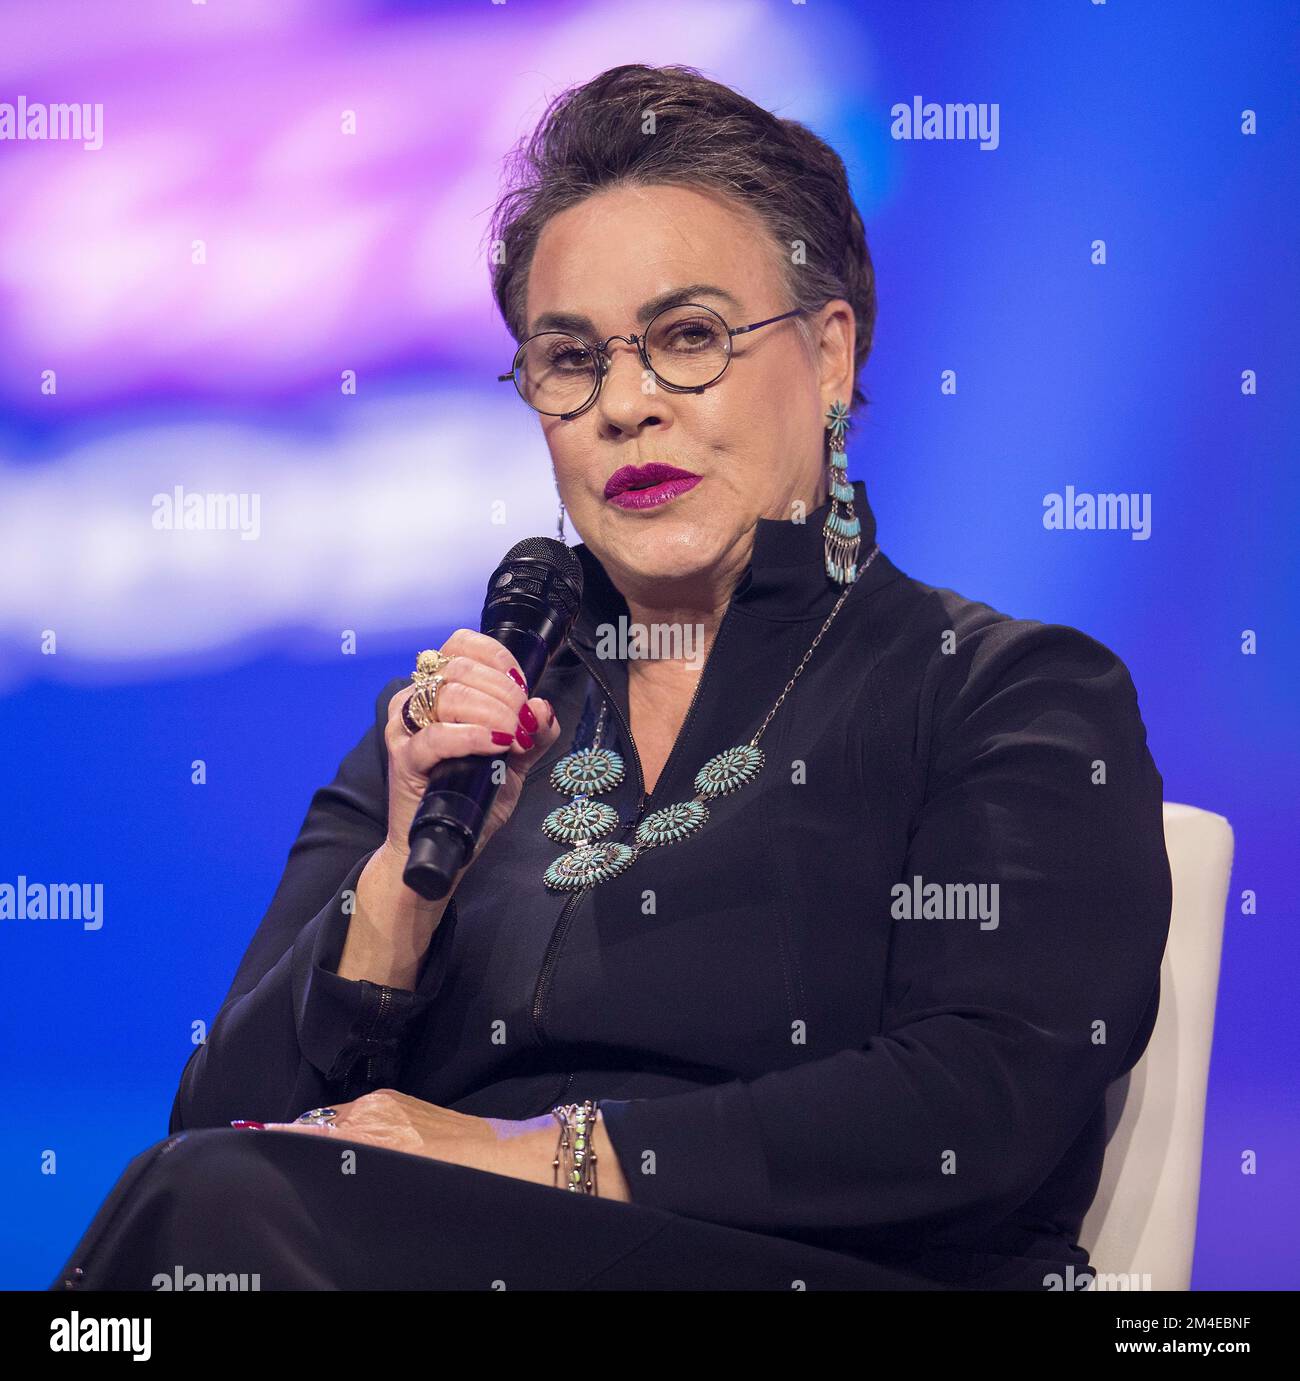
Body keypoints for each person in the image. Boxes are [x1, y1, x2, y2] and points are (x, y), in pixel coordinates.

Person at [51, 63, 1170, 1292]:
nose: (625, 406)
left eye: (689, 338)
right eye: (570, 359)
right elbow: (220, 1133)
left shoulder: (1002, 694)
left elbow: (984, 1097)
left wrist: (537, 1154)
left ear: (831, 353)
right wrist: (399, 900)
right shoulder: (451, 735)